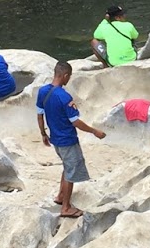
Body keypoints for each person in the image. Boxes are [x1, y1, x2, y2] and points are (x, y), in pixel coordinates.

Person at [35, 60, 106, 219]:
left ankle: (61, 196)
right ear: (65, 75)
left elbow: (40, 115)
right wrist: (94, 131)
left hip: (55, 139)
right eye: (69, 76)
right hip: (67, 139)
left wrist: (43, 134)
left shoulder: (42, 91)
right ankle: (66, 207)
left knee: (67, 166)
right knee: (71, 171)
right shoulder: (64, 96)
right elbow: (75, 122)